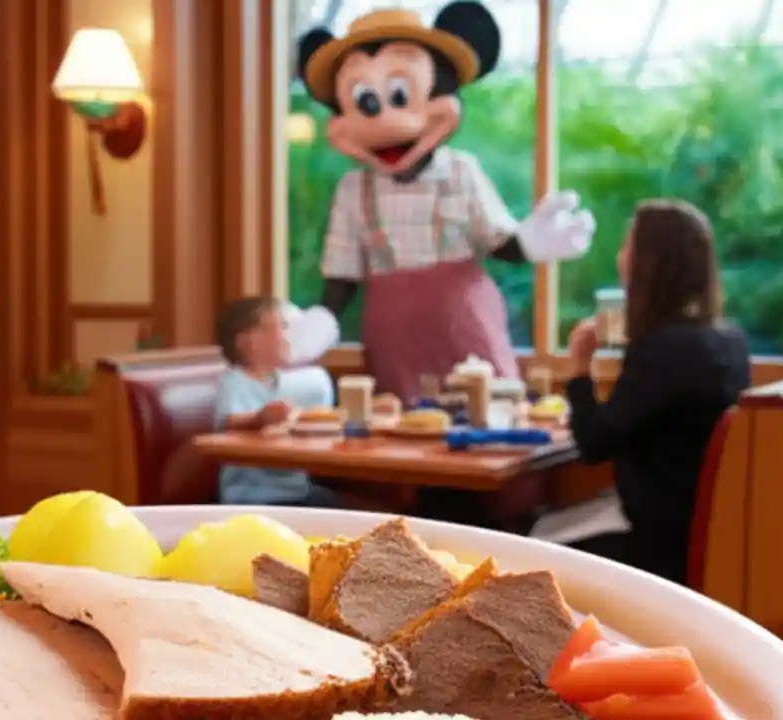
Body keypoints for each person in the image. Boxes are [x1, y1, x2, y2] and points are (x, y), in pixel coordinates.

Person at [295, 2, 594, 403]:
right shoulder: (353, 190)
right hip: (394, 339)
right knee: (408, 430)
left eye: (399, 95)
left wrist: (530, 243)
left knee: (490, 411)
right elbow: (342, 275)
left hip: (465, 325)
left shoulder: (460, 172)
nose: (387, 122)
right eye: (367, 102)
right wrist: (320, 321)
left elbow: (494, 240)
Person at [563, 199, 751, 585]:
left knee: (525, 542)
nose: (620, 258)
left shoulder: (665, 349)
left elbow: (593, 443)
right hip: (705, 536)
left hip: (662, 551)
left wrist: (580, 367)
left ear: (650, 262)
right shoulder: (728, 341)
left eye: (628, 246)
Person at [213, 296, 339, 507]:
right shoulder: (233, 381)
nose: (287, 336)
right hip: (253, 497)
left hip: (295, 490)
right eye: (280, 327)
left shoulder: (284, 382)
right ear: (248, 342)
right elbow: (228, 423)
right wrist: (259, 418)